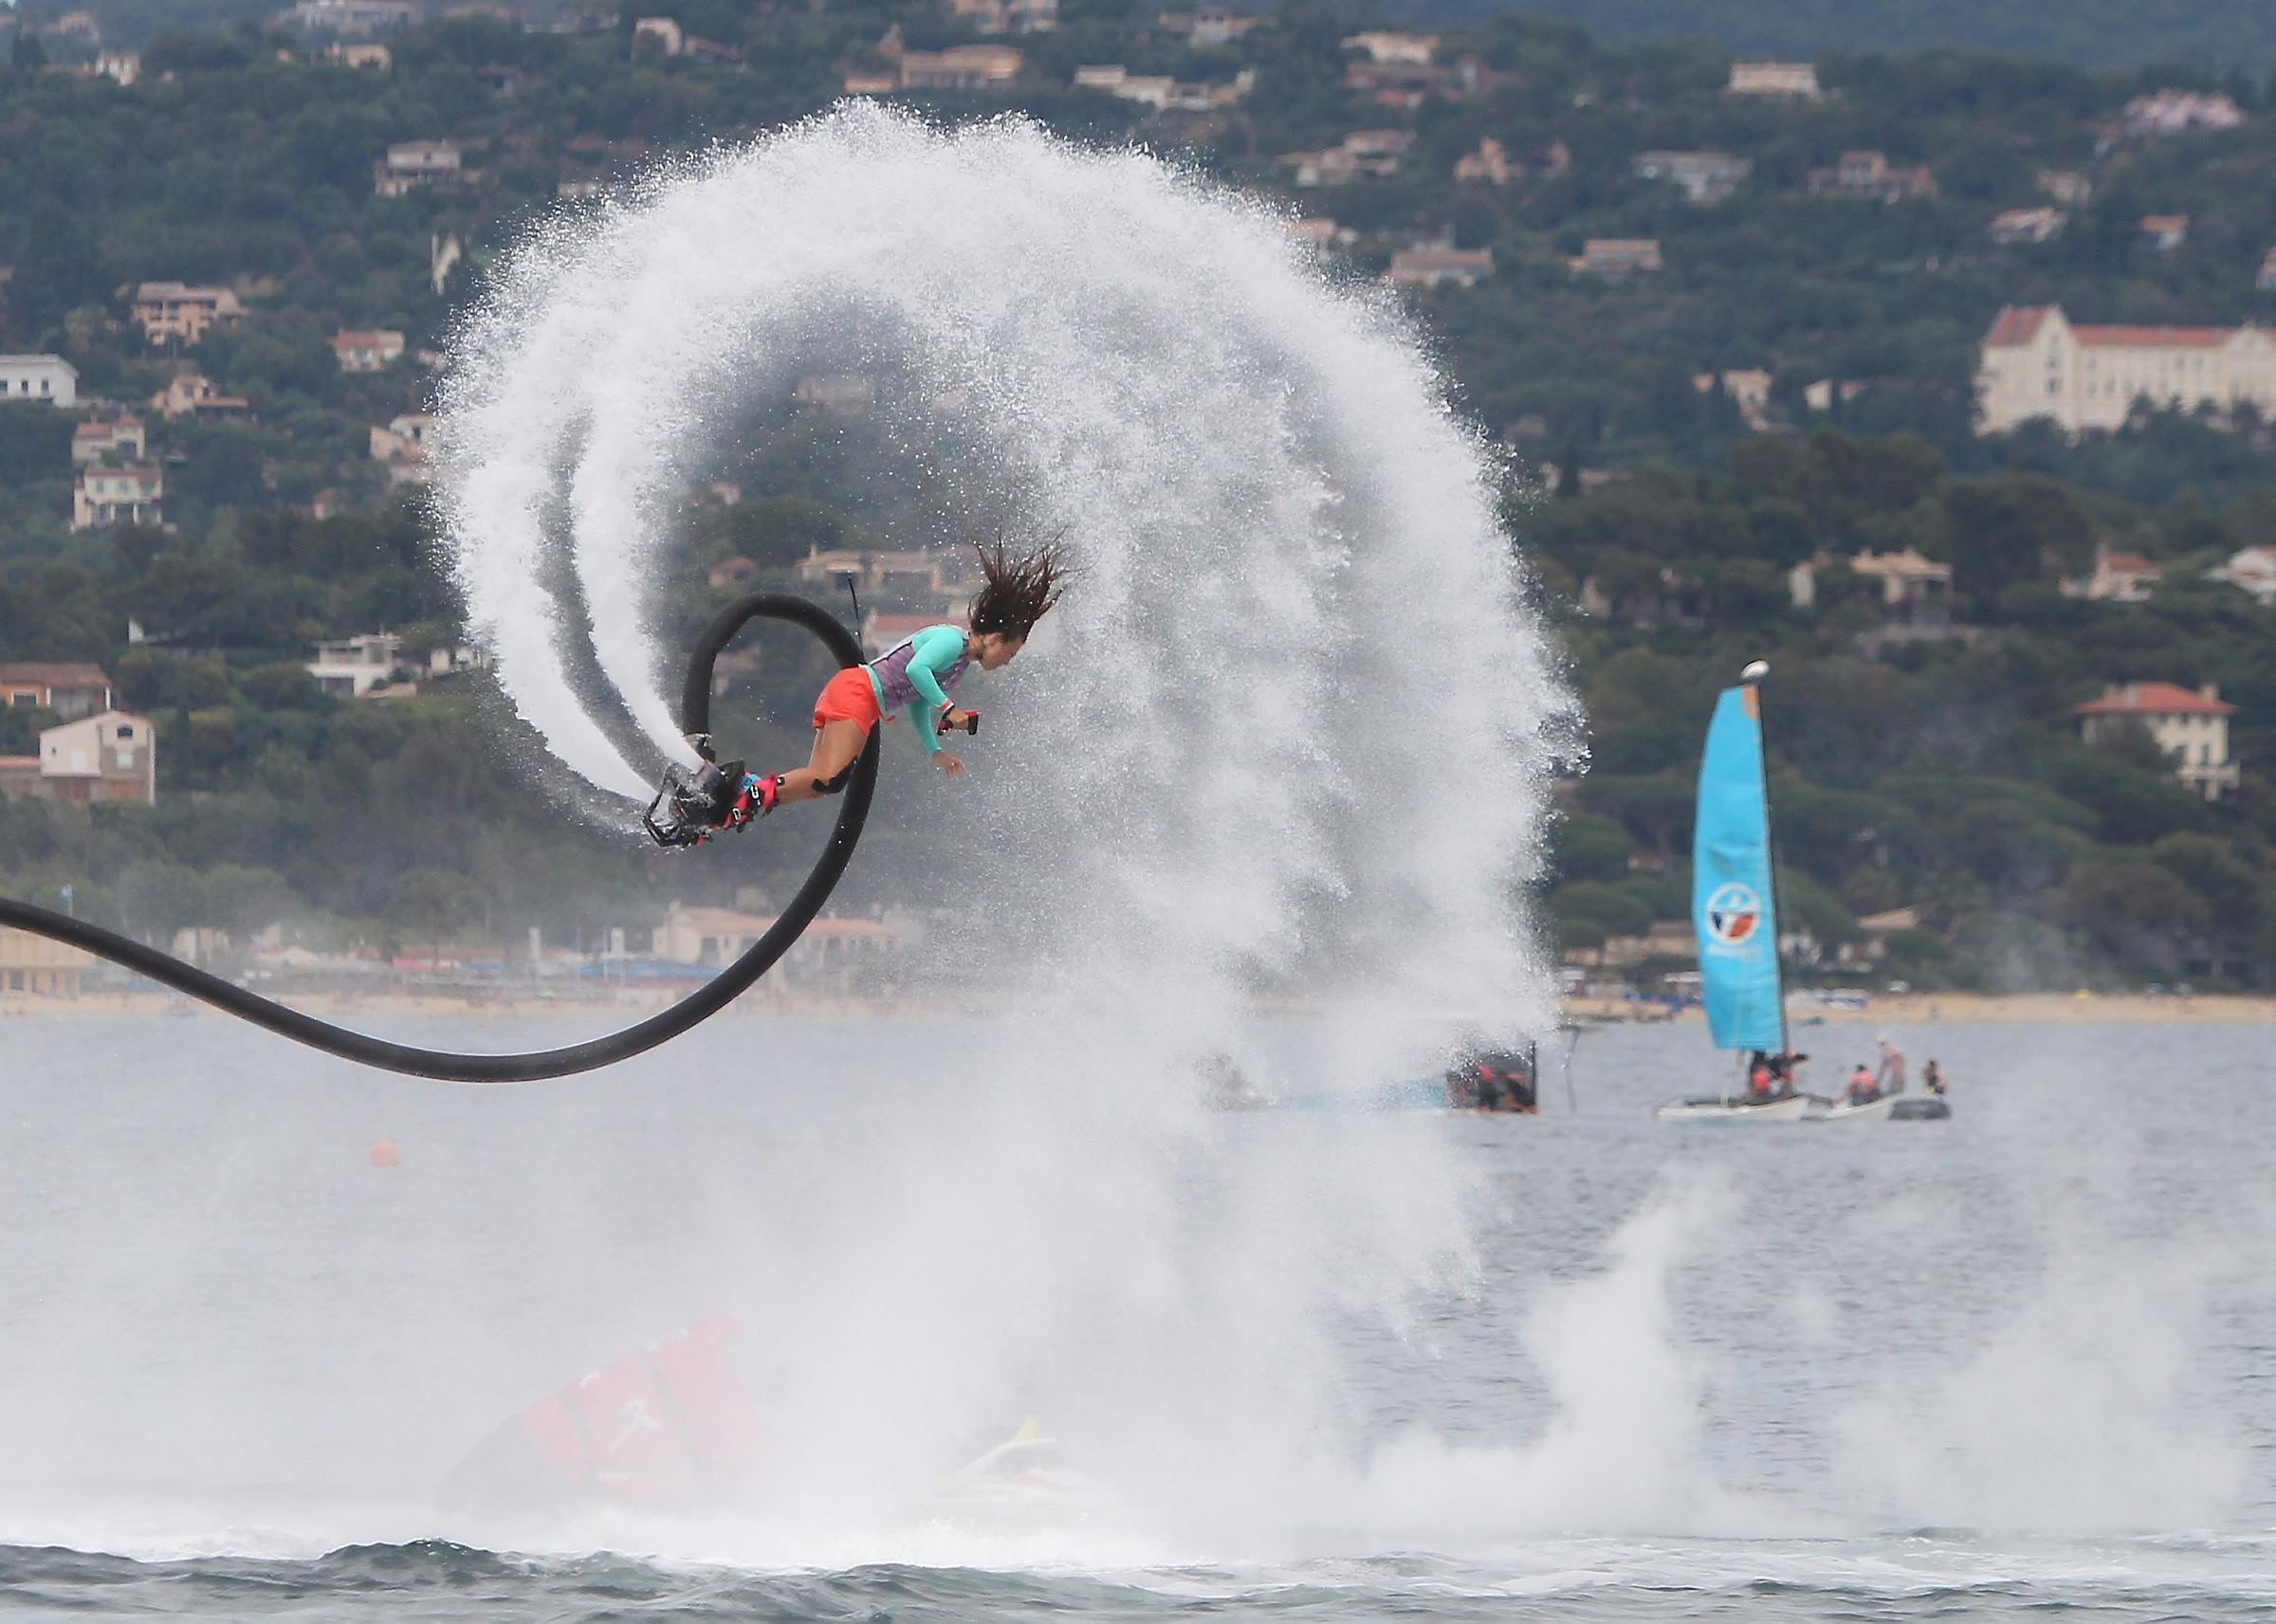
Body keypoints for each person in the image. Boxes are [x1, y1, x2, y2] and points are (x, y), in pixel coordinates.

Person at [716, 538, 1070, 828]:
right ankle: (754, 792)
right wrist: (950, 708)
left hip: (862, 698)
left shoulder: (961, 664)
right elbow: (917, 671)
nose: (1006, 662)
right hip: (860, 692)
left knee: (821, 784)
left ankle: (746, 794)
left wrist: (935, 750)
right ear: (994, 638)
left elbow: (916, 701)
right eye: (1008, 653)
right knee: (828, 777)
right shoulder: (953, 641)